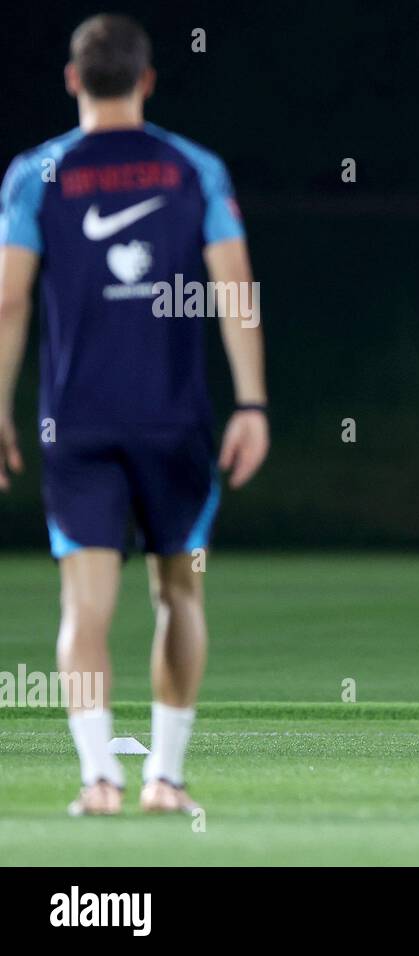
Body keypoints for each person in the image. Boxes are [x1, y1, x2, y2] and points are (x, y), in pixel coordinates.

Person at [0, 14, 269, 814]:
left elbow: (9, 299)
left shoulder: (33, 174)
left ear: (74, 80)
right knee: (179, 594)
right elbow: (236, 291)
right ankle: (167, 778)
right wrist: (251, 402)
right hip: (173, 421)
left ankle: (98, 780)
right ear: (149, 80)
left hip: (74, 422)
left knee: (83, 606)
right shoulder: (193, 168)